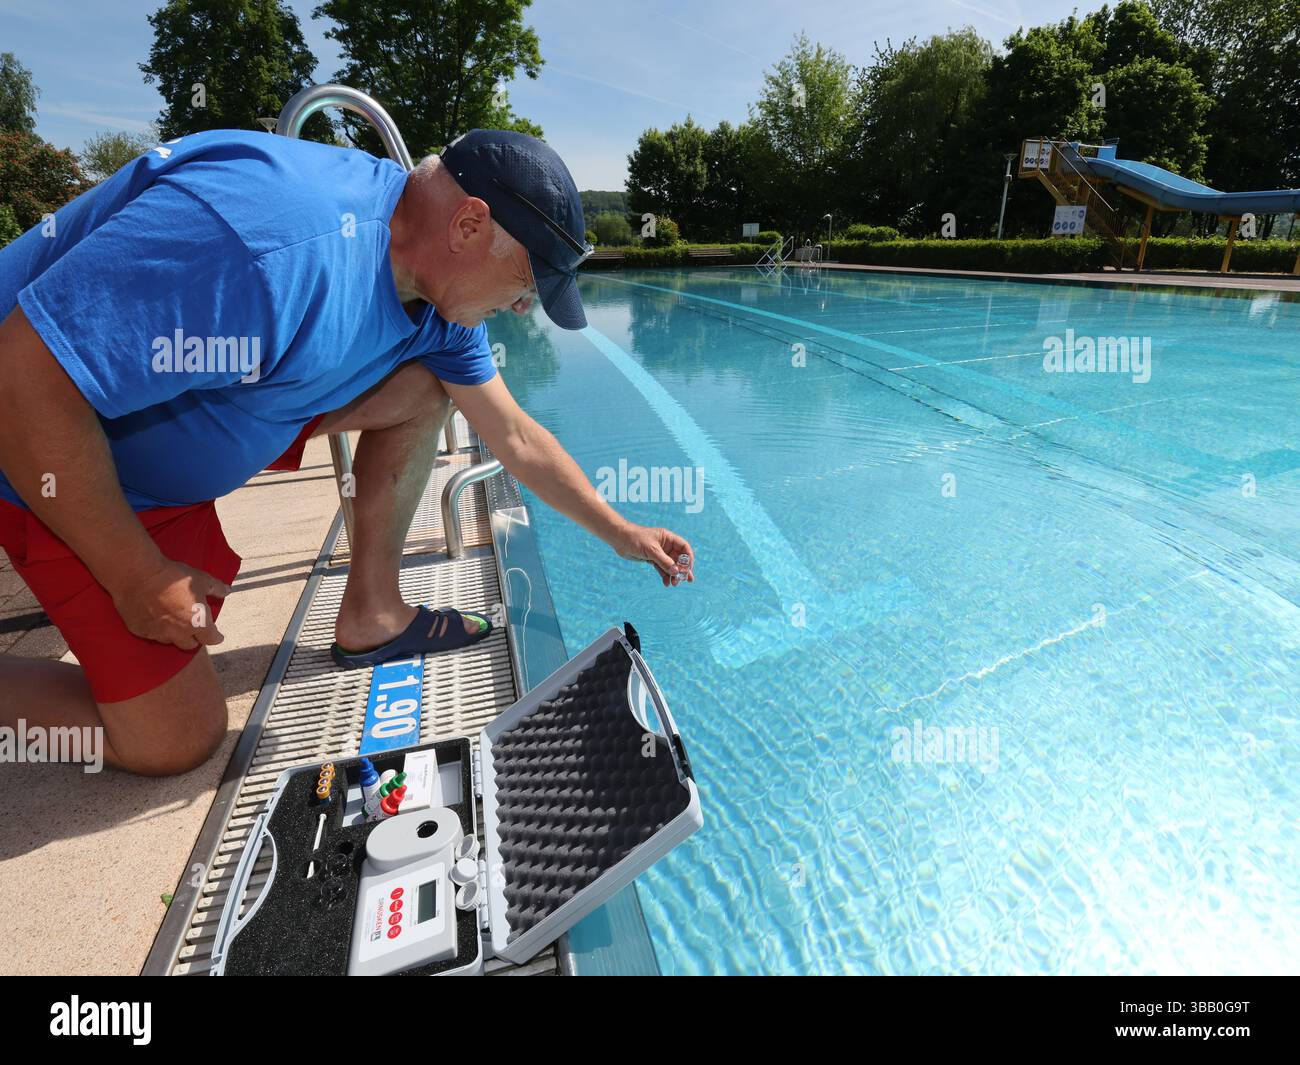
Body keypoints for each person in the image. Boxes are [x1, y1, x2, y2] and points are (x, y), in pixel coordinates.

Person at [0, 128, 693, 776]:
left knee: (426, 389)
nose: (522, 308)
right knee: (176, 740)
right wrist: (135, 572)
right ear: (469, 225)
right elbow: (24, 380)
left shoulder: (436, 302)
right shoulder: (268, 239)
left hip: (171, 446)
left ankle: (373, 612)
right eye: (526, 281)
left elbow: (513, 434)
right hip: (47, 454)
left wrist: (623, 532)